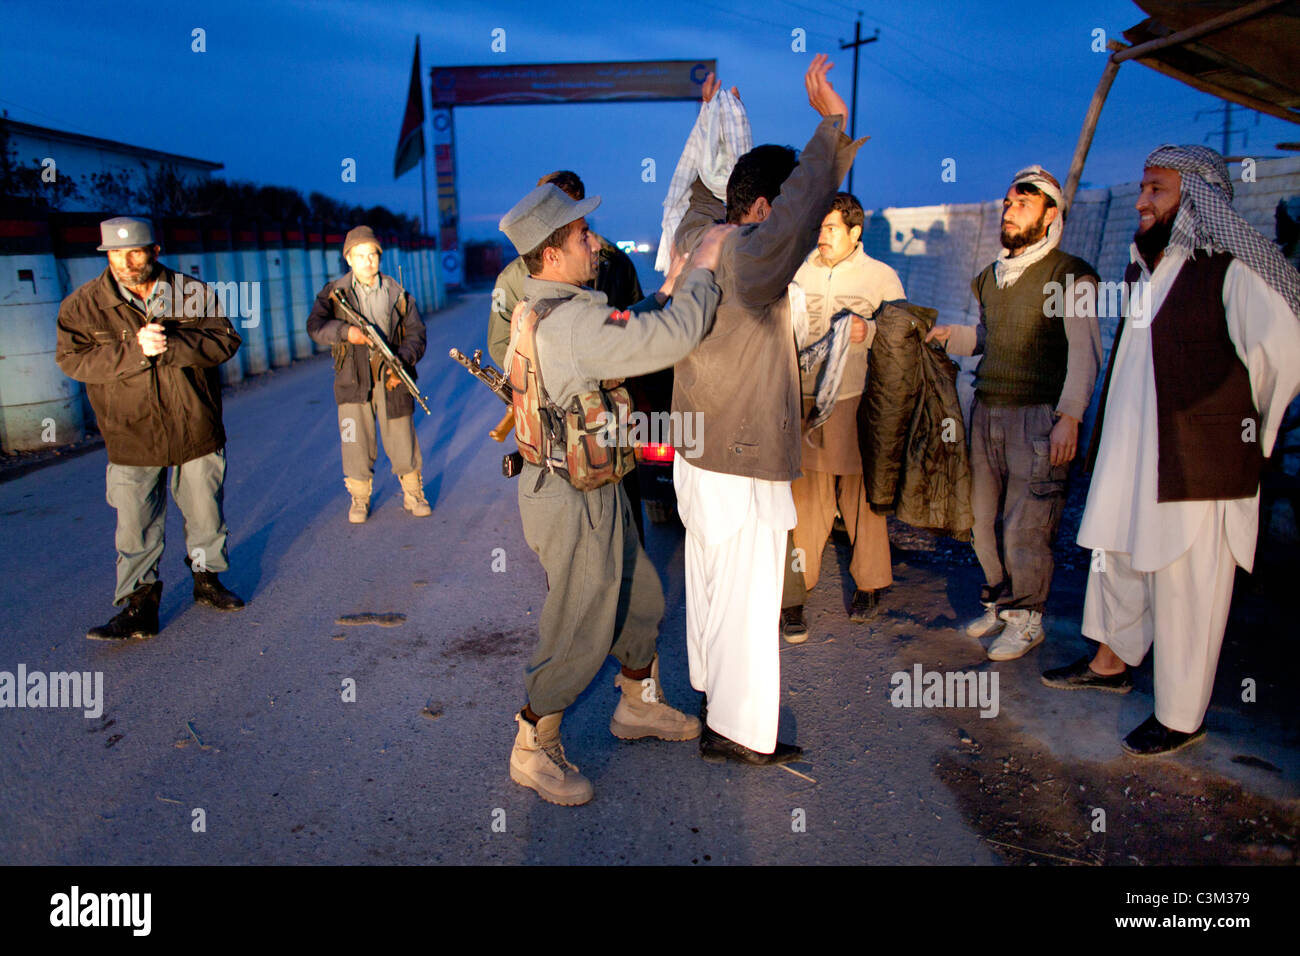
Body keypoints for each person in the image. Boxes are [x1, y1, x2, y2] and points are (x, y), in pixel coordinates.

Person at [1042, 145, 1300, 756]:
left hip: (1197, 465)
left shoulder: (1228, 269)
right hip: (1133, 458)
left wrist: (1243, 428)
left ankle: (1182, 716)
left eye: (1156, 189)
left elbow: (1282, 352)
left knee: (1188, 585)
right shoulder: (1143, 268)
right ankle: (1109, 663)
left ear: (1197, 198)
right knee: (1119, 562)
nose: (1140, 201)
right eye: (1142, 187)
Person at [498, 182, 733, 806]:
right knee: (579, 624)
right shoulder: (571, 320)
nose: (594, 242)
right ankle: (533, 743)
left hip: (585, 483)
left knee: (641, 598)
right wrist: (705, 268)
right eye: (581, 235)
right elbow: (673, 338)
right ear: (552, 254)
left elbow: (623, 334)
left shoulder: (543, 306)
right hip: (572, 498)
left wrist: (666, 287)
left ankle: (637, 706)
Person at [670, 55, 865, 765]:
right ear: (761, 210)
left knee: (717, 587)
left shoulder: (701, 241)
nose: (801, 229)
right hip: (740, 458)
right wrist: (831, 128)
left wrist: (713, 119)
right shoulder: (747, 254)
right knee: (749, 602)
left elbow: (697, 189)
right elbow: (791, 214)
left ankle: (713, 699)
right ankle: (740, 733)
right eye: (785, 212)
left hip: (707, 455)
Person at [926, 166, 1101, 661]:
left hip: (1040, 418)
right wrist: (951, 338)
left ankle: (1027, 618)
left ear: (1051, 216)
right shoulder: (990, 277)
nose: (1010, 209)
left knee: (1028, 523)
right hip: (988, 411)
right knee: (982, 519)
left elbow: (1086, 352)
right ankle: (1000, 603)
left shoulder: (1072, 274)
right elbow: (987, 339)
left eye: (1023, 203)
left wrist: (1070, 417)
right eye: (1007, 201)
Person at [56, 216, 245, 640]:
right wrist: (133, 352)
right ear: (106, 255)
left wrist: (175, 346)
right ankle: (139, 606)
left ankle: (207, 581)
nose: (127, 261)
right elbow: (72, 360)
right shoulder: (82, 306)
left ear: (155, 251)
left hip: (194, 425)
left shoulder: (191, 293)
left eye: (136, 251)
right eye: (117, 254)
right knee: (135, 522)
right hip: (130, 432)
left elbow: (225, 340)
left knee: (205, 513)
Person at [488, 169, 654, 544]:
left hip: (610, 409)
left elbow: (632, 320)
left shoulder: (613, 259)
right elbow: (501, 344)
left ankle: (628, 573)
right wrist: (542, 378)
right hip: (560, 418)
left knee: (623, 504)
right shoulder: (514, 277)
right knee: (574, 537)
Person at [781, 192, 905, 642]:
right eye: (820, 227)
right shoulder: (798, 270)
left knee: (861, 498)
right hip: (803, 400)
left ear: (855, 233)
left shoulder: (880, 277)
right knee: (804, 501)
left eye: (831, 228)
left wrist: (869, 331)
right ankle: (795, 593)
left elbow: (903, 334)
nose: (822, 236)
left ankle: (869, 584)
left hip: (855, 400)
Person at [306, 225, 429, 523]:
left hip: (392, 376)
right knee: (355, 441)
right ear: (348, 259)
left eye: (372, 255)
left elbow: (417, 334)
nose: (367, 261)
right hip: (352, 379)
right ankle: (359, 499)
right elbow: (315, 326)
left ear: (379, 257)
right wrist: (346, 332)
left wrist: (402, 361)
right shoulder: (334, 293)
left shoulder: (397, 293)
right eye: (360, 256)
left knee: (402, 437)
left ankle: (413, 493)